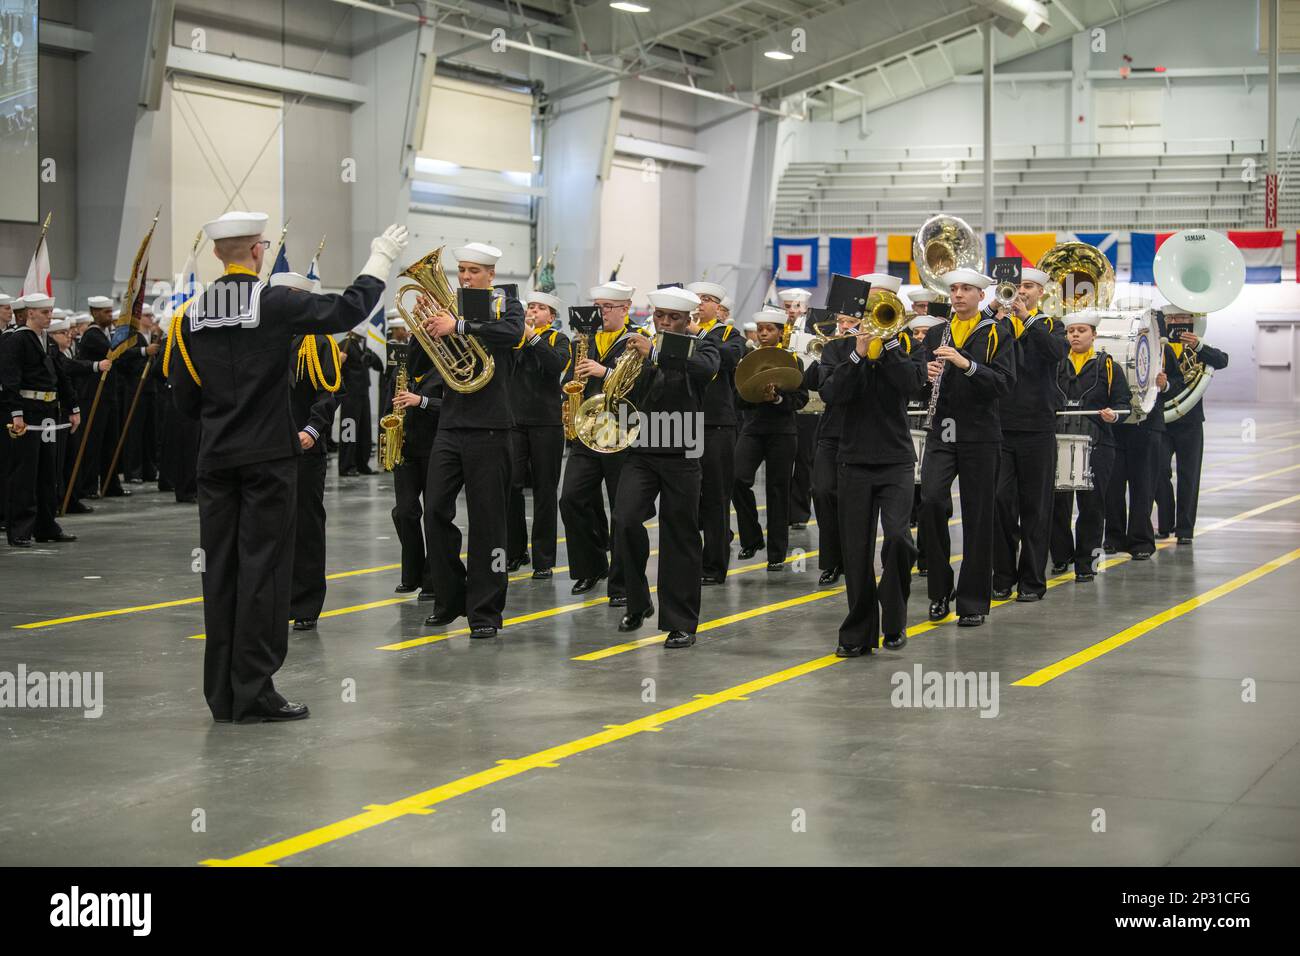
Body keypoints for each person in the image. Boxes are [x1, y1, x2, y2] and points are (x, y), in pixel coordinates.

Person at [166, 211, 405, 722]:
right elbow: (346, 310)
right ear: (257, 252)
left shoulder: (186, 316)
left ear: (215, 254)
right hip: (268, 458)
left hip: (215, 461)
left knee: (221, 573)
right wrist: (380, 259)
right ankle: (254, 691)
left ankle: (222, 694)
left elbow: (184, 400)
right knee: (264, 572)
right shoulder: (272, 302)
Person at [418, 242, 525, 639]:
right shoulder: (449, 307)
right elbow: (424, 361)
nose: (464, 276)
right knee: (434, 512)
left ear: (491, 275)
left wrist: (459, 326)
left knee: (488, 523)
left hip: (492, 426)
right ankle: (449, 598)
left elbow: (513, 333)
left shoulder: (506, 305)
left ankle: (484, 612)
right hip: (450, 423)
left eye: (474, 271)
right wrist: (425, 325)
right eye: (461, 269)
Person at [611, 285, 719, 648]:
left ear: (689, 321)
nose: (665, 322)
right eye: (660, 316)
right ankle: (638, 601)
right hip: (641, 448)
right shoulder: (638, 344)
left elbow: (704, 370)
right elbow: (622, 389)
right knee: (624, 520)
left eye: (674, 318)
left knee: (681, 536)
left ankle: (681, 622)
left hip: (683, 451)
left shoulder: (702, 346)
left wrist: (655, 352)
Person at [828, 295, 926, 657]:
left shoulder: (907, 347)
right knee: (855, 551)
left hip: (896, 459)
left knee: (899, 538)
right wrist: (857, 353)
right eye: (866, 317)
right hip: (853, 460)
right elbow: (833, 392)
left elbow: (911, 385)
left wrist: (886, 347)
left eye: (878, 316)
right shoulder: (839, 349)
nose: (872, 322)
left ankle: (896, 619)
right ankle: (857, 632)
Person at [918, 269, 1017, 627]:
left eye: (966, 290)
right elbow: (918, 381)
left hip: (980, 433)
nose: (958, 295)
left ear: (980, 296)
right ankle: (939, 590)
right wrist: (924, 374)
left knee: (979, 516)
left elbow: (1004, 384)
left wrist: (967, 364)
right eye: (954, 289)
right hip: (942, 430)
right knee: (930, 501)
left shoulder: (997, 332)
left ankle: (973, 600)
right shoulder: (934, 333)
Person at [558, 279, 641, 602]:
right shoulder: (585, 340)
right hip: (587, 432)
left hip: (621, 433)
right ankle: (591, 566)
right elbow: (568, 380)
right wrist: (573, 381)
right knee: (571, 499)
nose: (601, 313)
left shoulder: (637, 340)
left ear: (625, 309)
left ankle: (621, 583)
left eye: (608, 307)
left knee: (622, 509)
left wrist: (603, 372)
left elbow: (641, 382)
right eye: (598, 307)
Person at [991, 266, 1068, 603]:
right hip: (1002, 426)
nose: (1020, 292)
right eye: (1015, 287)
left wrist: (1028, 320)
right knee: (1000, 503)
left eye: (1027, 287)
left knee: (1036, 507)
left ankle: (1033, 581)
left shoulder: (1051, 324)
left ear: (1040, 293)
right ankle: (1002, 576)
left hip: (1038, 426)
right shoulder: (996, 324)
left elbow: (1055, 353)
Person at [279, 273, 345, 631]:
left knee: (305, 526)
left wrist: (312, 429)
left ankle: (304, 604)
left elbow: (330, 392)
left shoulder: (317, 341)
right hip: (267, 447)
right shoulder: (265, 338)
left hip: (304, 446)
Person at [1050, 314, 1131, 580]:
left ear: (1093, 334)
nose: (1075, 335)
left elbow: (1124, 404)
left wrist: (1114, 415)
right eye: (1071, 331)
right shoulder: (1055, 364)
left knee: (1093, 505)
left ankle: (1087, 563)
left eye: (1081, 330)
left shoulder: (1109, 366)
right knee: (1057, 503)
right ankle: (1061, 556)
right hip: (1059, 439)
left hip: (1098, 443)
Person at [0, 294, 80, 547]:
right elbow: (10, 377)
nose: (49, 316)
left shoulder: (48, 341)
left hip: (49, 411)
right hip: (28, 411)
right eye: (44, 312)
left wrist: (73, 406)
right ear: (31, 313)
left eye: (50, 312)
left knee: (48, 471)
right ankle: (20, 529)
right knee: (24, 472)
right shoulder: (17, 340)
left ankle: (46, 525)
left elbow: (61, 375)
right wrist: (16, 414)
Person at [732, 308, 808, 572]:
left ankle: (777, 553)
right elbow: (737, 397)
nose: (764, 333)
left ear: (780, 332)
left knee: (778, 491)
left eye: (770, 329)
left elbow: (801, 399)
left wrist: (777, 399)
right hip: (752, 429)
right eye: (761, 328)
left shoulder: (792, 359)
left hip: (783, 432)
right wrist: (755, 396)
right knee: (737, 479)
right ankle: (752, 538)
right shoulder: (747, 358)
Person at [1104, 323, 1182, 560]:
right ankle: (1114, 537)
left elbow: (1177, 383)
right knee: (1113, 487)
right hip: (1118, 426)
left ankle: (1141, 541)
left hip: (1149, 425)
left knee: (1144, 486)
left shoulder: (1161, 350)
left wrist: (1165, 384)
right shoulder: (1114, 344)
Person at [506, 290, 569, 579]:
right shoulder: (514, 339)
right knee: (511, 486)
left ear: (551, 316)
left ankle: (543, 559)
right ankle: (515, 550)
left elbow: (555, 366)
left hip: (547, 423)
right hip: (515, 422)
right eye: (530, 306)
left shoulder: (558, 339)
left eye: (539, 308)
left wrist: (532, 336)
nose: (532, 311)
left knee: (545, 491)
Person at [687, 280, 746, 585]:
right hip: (683, 422)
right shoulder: (679, 330)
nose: (699, 303)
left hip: (716, 424)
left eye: (706, 299)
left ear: (718, 308)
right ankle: (689, 559)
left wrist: (697, 334)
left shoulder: (730, 335)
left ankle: (714, 565)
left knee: (715, 497)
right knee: (686, 498)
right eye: (695, 298)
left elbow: (730, 358)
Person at [1155, 306, 1228, 544]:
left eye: (1181, 318)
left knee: (1189, 475)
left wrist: (1198, 345)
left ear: (1191, 322)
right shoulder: (1157, 346)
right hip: (1161, 419)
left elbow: (1222, 360)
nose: (1175, 322)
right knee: (1158, 472)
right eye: (1171, 318)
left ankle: (1185, 530)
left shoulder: (1200, 347)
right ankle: (1165, 524)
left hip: (1190, 421)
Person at [389, 329, 442, 598]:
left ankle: (432, 580)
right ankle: (411, 573)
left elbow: (451, 406)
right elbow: (391, 407)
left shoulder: (445, 370)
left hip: (435, 450)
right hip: (406, 449)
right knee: (404, 512)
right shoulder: (404, 375)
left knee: (434, 514)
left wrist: (421, 401)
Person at [777, 288, 816, 529]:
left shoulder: (814, 329)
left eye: (796, 306)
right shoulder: (776, 329)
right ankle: (781, 510)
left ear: (805, 308)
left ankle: (799, 512)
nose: (792, 311)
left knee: (804, 460)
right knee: (781, 460)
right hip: (782, 398)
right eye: (788, 306)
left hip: (807, 400)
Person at [338, 326, 383, 476]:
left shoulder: (364, 345)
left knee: (364, 430)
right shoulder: (345, 344)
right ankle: (346, 465)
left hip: (363, 392)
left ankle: (362, 464)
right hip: (350, 394)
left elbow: (376, 364)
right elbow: (335, 369)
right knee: (349, 431)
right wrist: (339, 361)